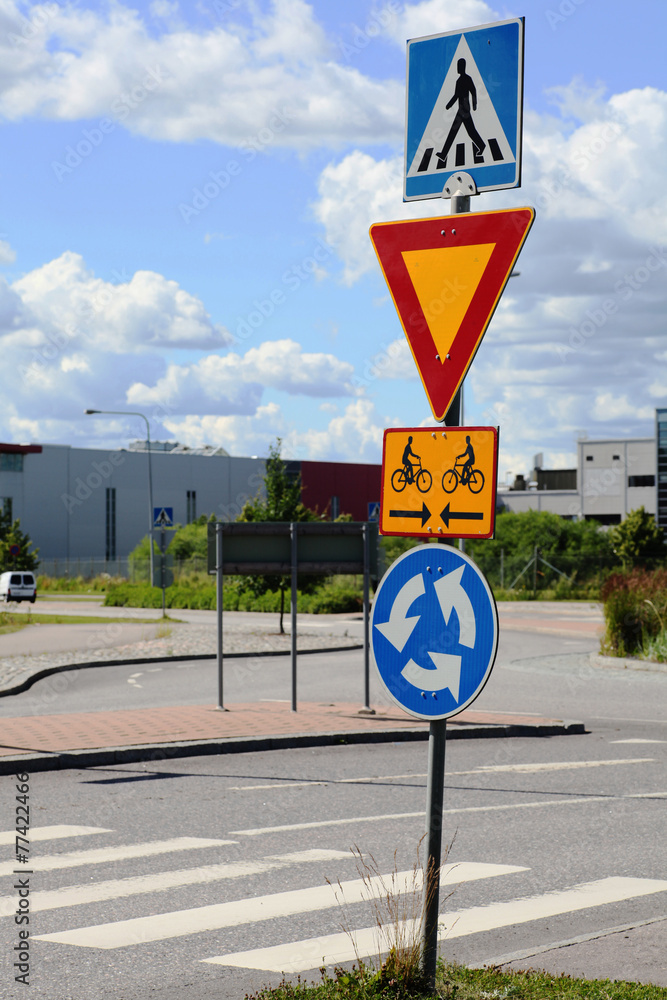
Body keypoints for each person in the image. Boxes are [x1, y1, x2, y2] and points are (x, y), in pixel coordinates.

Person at [437, 57, 485, 165]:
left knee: (467, 132)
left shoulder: (467, 79)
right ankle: (444, 154)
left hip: (465, 110)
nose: (457, 68)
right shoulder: (458, 81)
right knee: (462, 132)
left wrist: (474, 104)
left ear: (463, 67)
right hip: (461, 110)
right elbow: (456, 95)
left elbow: (473, 90)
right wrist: (449, 105)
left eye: (459, 66)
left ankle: (481, 146)